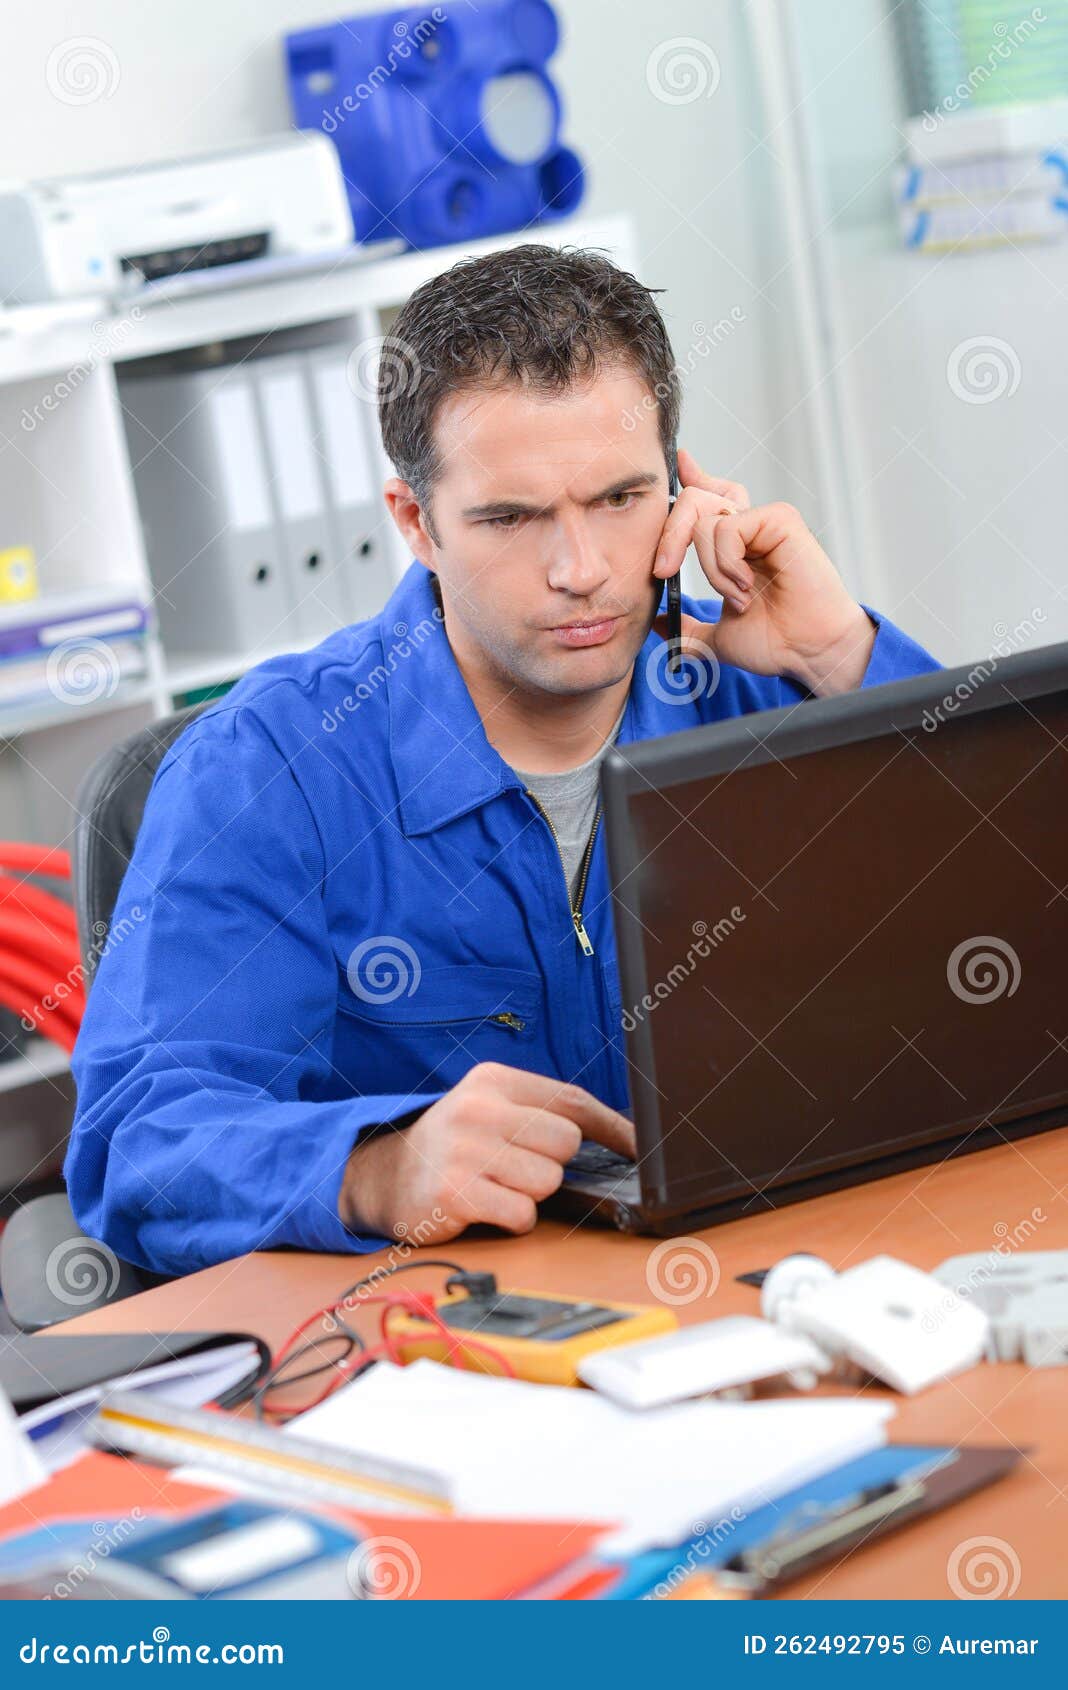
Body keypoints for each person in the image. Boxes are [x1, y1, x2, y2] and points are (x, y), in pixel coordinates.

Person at [66, 245, 940, 1275]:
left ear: (682, 487)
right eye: (512, 517)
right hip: (454, 1350)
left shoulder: (769, 692)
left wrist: (843, 659)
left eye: (620, 499)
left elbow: (1018, 957)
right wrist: (375, 1171)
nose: (581, 571)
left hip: (785, 1286)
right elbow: (140, 1139)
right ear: (417, 524)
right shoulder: (266, 769)